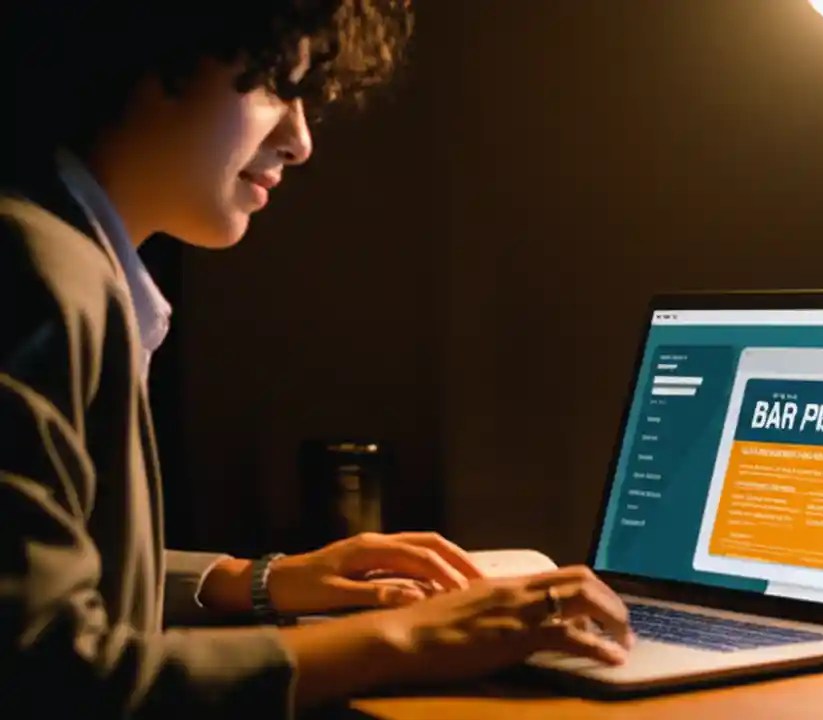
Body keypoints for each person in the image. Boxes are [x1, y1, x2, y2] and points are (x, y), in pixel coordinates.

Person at [0, 2, 633, 717]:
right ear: (153, 48)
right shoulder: (33, 274)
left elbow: (60, 580)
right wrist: (406, 637)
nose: (300, 142)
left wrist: (256, 581)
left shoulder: (68, 261)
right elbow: (43, 675)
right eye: (279, 83)